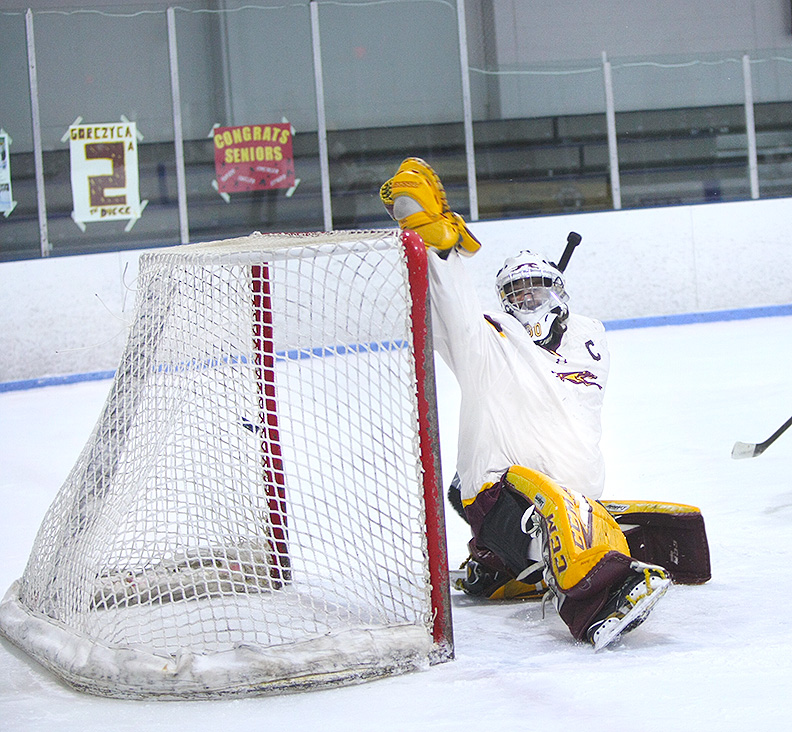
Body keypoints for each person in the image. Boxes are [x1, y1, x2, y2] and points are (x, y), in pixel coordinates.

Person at [380, 158, 710, 650]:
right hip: (502, 493)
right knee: (542, 501)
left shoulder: (587, 340)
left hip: (567, 490)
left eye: (538, 290)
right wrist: (441, 254)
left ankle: (508, 567)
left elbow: (552, 382)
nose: (530, 301)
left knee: (612, 512)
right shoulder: (488, 343)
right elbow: (457, 321)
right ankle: (595, 602)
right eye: (518, 293)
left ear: (560, 294)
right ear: (504, 302)